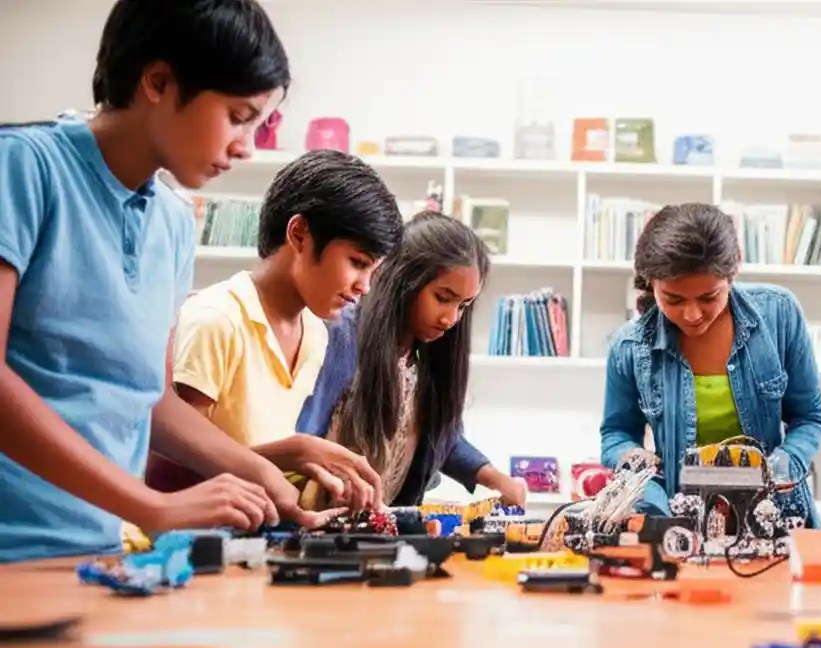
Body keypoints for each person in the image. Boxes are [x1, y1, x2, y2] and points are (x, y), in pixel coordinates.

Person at [0, 0, 339, 563]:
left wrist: (259, 472)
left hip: (92, 551)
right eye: (238, 116)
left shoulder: (174, 222)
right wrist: (150, 505)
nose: (246, 146)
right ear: (158, 82)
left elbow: (153, 401)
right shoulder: (23, 168)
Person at [147, 150, 404, 511]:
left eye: (373, 271)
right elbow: (171, 467)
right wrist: (295, 452)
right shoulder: (217, 319)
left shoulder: (314, 333)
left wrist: (316, 473)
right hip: (187, 532)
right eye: (357, 263)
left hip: (253, 528)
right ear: (299, 235)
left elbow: (259, 454)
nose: (365, 286)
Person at [600, 203, 821, 527]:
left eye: (709, 297)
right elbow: (616, 434)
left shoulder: (779, 314)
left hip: (774, 517)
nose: (692, 314)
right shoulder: (629, 347)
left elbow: (810, 417)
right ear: (650, 283)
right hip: (678, 522)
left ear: (733, 272)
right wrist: (632, 463)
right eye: (674, 299)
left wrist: (778, 468)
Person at [296, 212, 527, 508]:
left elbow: (442, 437)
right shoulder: (339, 335)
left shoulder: (423, 361)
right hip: (307, 523)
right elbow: (300, 437)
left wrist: (494, 478)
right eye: (443, 298)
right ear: (405, 281)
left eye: (463, 306)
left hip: (378, 528)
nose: (450, 319)